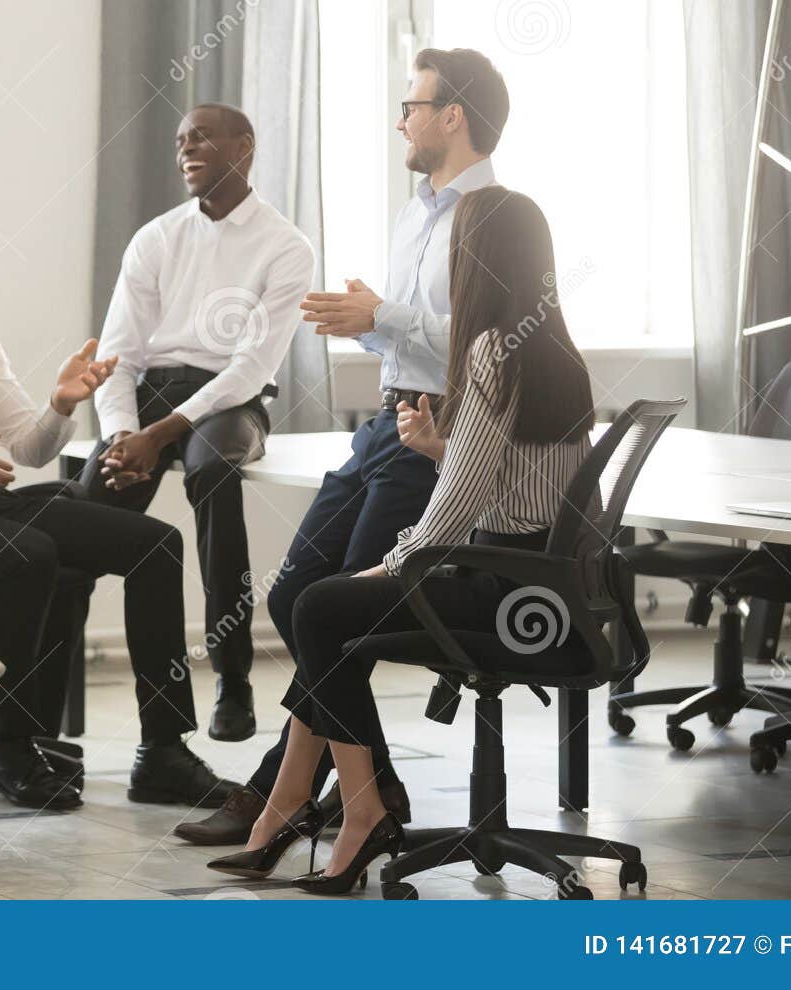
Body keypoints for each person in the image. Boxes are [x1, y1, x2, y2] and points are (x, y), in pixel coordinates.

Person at [213, 185, 594, 894]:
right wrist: (438, 451)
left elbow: (457, 512)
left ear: (480, 260)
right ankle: (296, 801)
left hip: (505, 592)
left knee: (321, 607)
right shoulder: (556, 352)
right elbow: (518, 485)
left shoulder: (489, 352)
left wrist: (388, 566)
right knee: (324, 608)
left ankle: (358, 812)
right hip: (549, 591)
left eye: (459, 248)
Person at [176, 48, 510, 848]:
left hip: (434, 433)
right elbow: (409, 337)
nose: (402, 120)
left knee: (341, 612)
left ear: (452, 115)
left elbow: (486, 339)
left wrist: (383, 317)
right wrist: (368, 324)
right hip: (384, 423)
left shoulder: (493, 216)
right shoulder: (416, 210)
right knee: (296, 598)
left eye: (413, 105)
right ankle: (376, 783)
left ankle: (280, 792)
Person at [0, 185, 239, 812]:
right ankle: (11, 743)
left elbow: (28, 448)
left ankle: (164, 749)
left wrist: (61, 404)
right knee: (30, 555)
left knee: (154, 543)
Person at [80, 104, 315, 742]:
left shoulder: (286, 246)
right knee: (82, 515)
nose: (187, 148)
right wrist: (123, 435)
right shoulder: (156, 237)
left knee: (213, 476)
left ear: (244, 146)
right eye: (182, 139)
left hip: (230, 402)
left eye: (203, 137)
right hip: (151, 396)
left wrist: (162, 436)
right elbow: (118, 355)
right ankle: (37, 705)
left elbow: (250, 366)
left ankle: (233, 683)